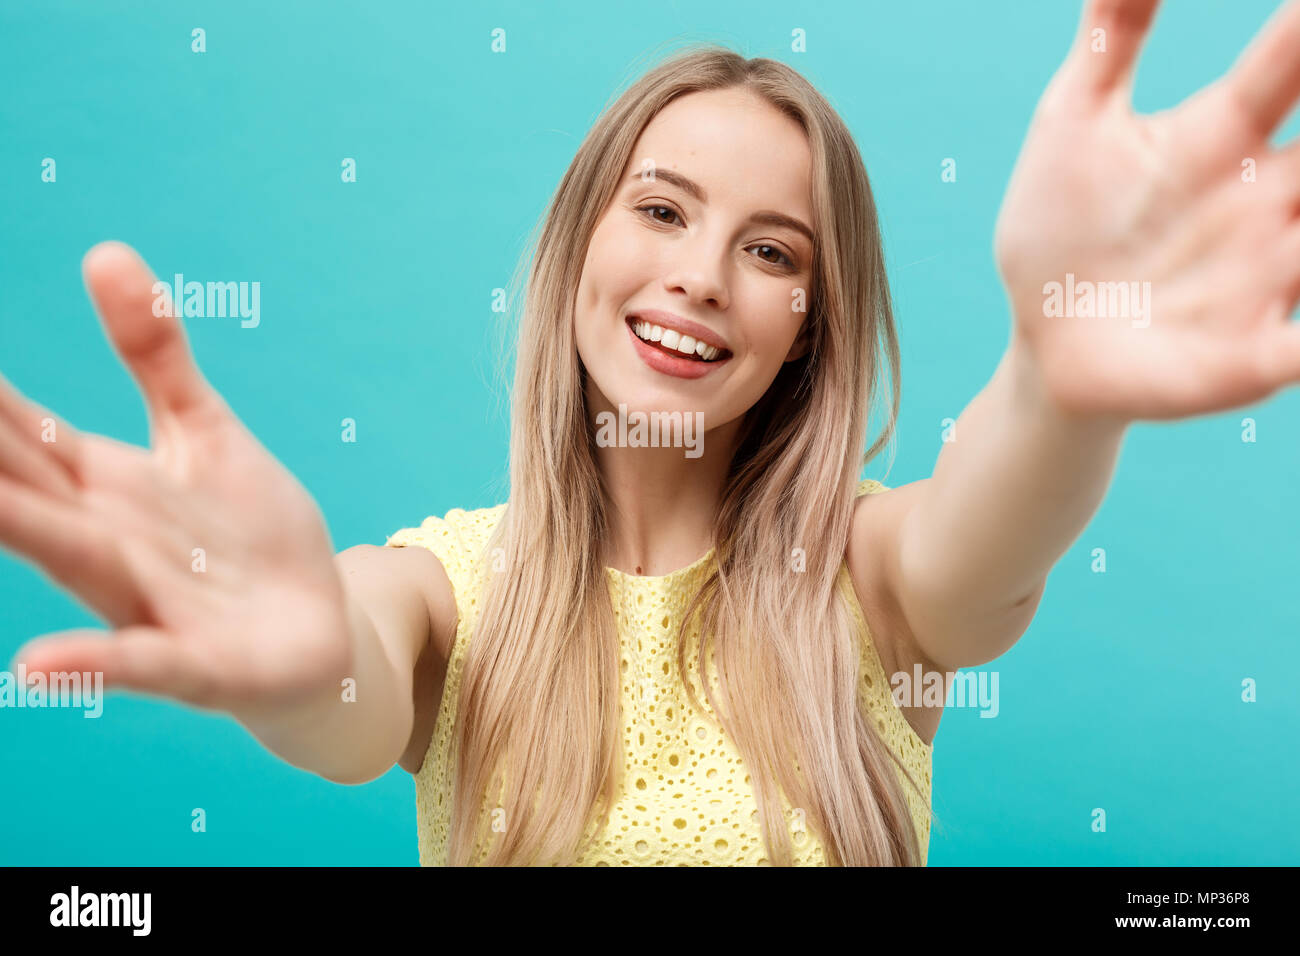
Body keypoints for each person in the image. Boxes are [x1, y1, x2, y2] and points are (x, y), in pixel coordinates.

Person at [5, 0, 1300, 866]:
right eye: (664, 212)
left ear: (810, 326)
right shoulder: (450, 597)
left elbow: (1000, 518)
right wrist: (297, 674)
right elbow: (347, 687)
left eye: (771, 250)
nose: (701, 277)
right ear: (581, 246)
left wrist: (1062, 382)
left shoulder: (877, 578)